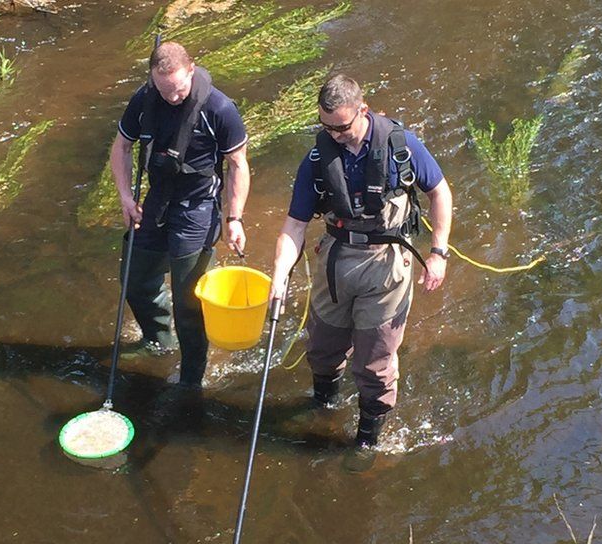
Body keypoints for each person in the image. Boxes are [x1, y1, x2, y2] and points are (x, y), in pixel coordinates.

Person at [269, 74, 453, 449]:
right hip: (336, 262)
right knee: (321, 350)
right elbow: (295, 224)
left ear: (362, 111)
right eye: (326, 127)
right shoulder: (317, 160)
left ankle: (367, 442)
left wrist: (438, 253)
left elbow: (439, 192)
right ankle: (324, 407)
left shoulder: (402, 146)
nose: (335, 134)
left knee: (373, 363)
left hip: (387, 264)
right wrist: (279, 275)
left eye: (342, 126)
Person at [109, 42, 250, 388]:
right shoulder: (144, 100)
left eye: (179, 89)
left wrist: (234, 218)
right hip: (157, 199)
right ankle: (159, 341)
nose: (172, 97)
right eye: (164, 90)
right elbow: (122, 147)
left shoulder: (219, 109)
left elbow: (238, 164)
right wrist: (126, 198)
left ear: (191, 70)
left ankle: (191, 379)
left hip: (197, 206)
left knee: (188, 304)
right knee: (135, 279)